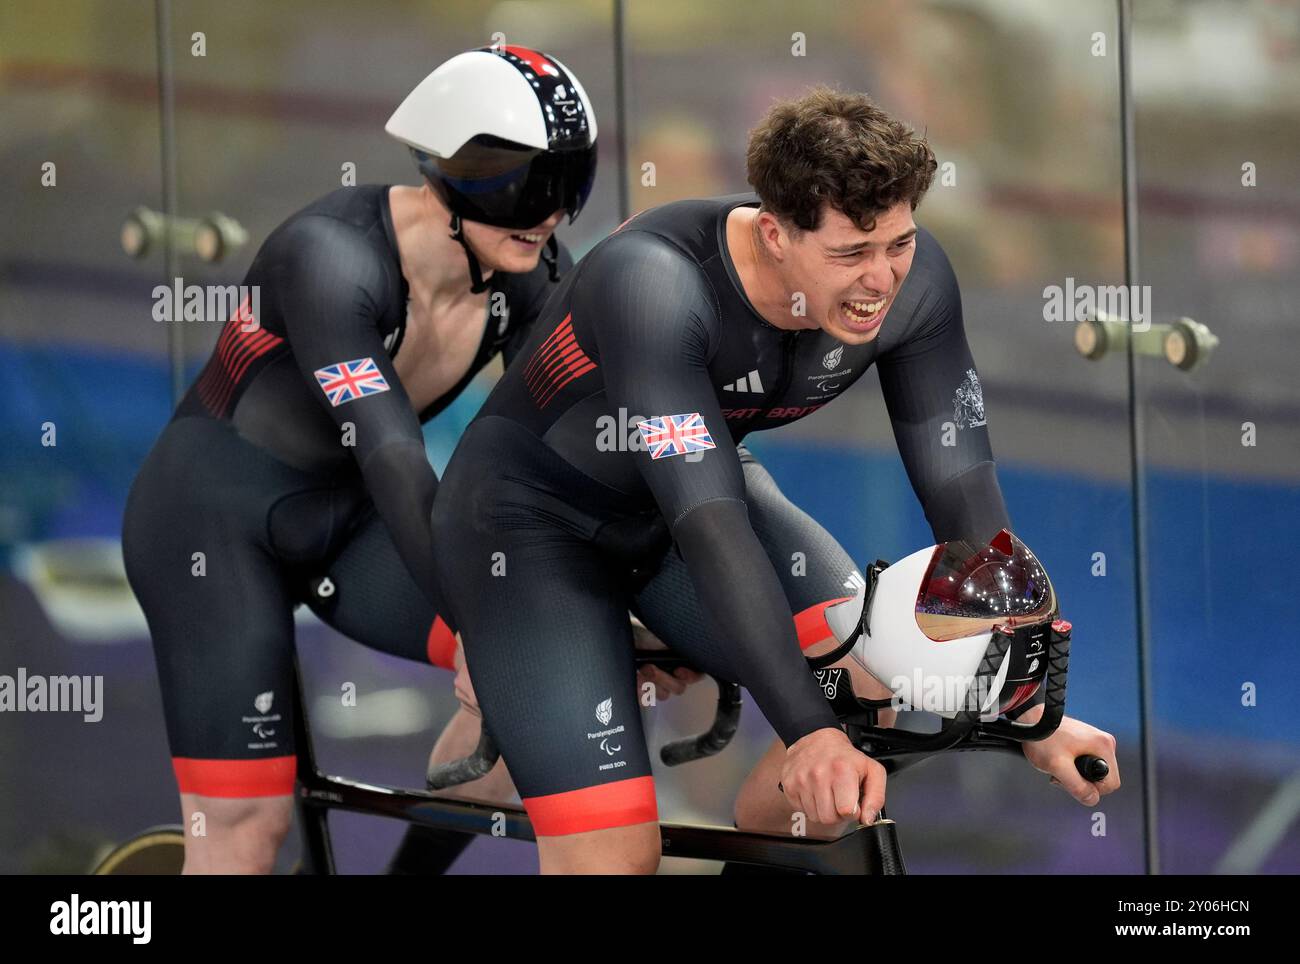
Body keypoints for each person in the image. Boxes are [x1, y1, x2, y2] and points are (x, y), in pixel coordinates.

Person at [430, 85, 1120, 875]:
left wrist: (1020, 701)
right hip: (531, 524)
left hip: (690, 493)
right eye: (850, 254)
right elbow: (711, 526)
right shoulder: (653, 283)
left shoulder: (916, 277)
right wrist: (808, 730)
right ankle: (513, 724)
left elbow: (961, 488)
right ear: (774, 233)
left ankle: (554, 737)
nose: (881, 280)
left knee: (876, 703)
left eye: (896, 243)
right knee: (617, 858)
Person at [122, 44, 607, 874]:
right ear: (451, 176)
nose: (550, 216)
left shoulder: (524, 270)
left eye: (570, 186)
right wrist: (476, 626)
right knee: (244, 829)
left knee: (538, 684)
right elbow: (390, 451)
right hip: (213, 519)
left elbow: (551, 453)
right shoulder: (330, 258)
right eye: (529, 189)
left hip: (347, 517)